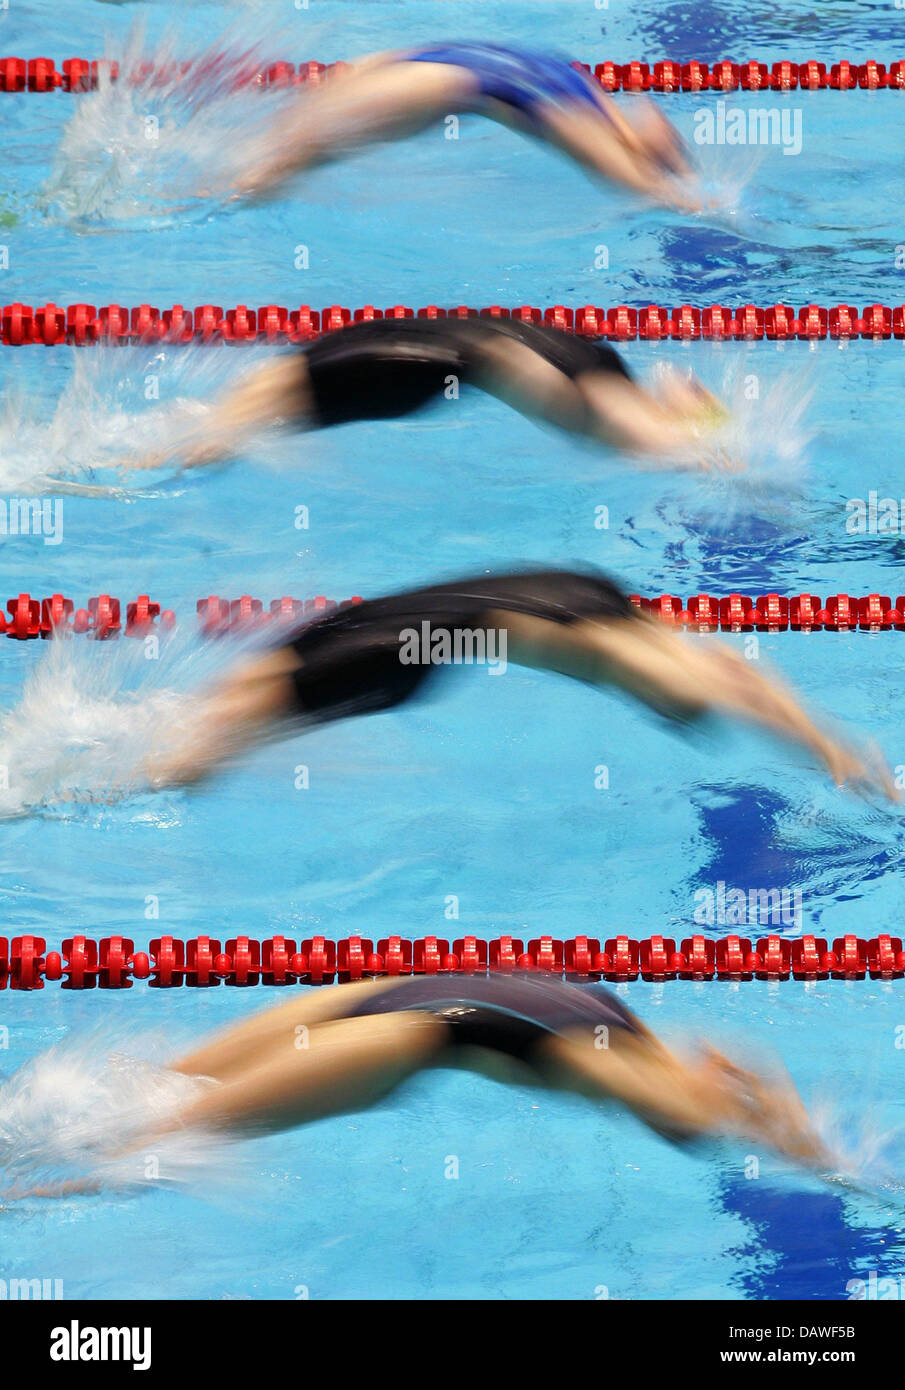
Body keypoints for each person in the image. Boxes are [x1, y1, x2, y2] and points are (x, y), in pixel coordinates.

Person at [3, 973, 830, 1201]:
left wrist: (781, 1109)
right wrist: (811, 1150)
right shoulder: (637, 1080)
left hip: (380, 996)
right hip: (399, 1038)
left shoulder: (618, 1018)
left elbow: (729, 1055)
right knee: (151, 1143)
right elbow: (717, 1094)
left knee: (155, 1097)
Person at [141, 566, 896, 799]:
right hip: (401, 650)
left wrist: (827, 743)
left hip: (390, 620)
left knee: (224, 708)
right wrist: (828, 750)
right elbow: (734, 688)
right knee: (192, 765)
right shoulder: (657, 664)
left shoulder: (618, 605)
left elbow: (742, 677)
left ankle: (119, 748)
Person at [122, 316, 732, 475]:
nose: (690, 383)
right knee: (248, 407)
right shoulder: (616, 377)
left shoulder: (611, 416)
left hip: (415, 363)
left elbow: (670, 444)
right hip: (417, 345)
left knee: (239, 424)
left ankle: (121, 464)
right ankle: (134, 456)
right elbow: (681, 409)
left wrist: (703, 446)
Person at [226, 41, 697, 209]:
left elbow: (645, 170)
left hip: (423, 69)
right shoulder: (589, 113)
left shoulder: (585, 91)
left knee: (281, 152)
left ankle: (217, 185)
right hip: (428, 80)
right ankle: (199, 199)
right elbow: (648, 185)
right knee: (268, 171)